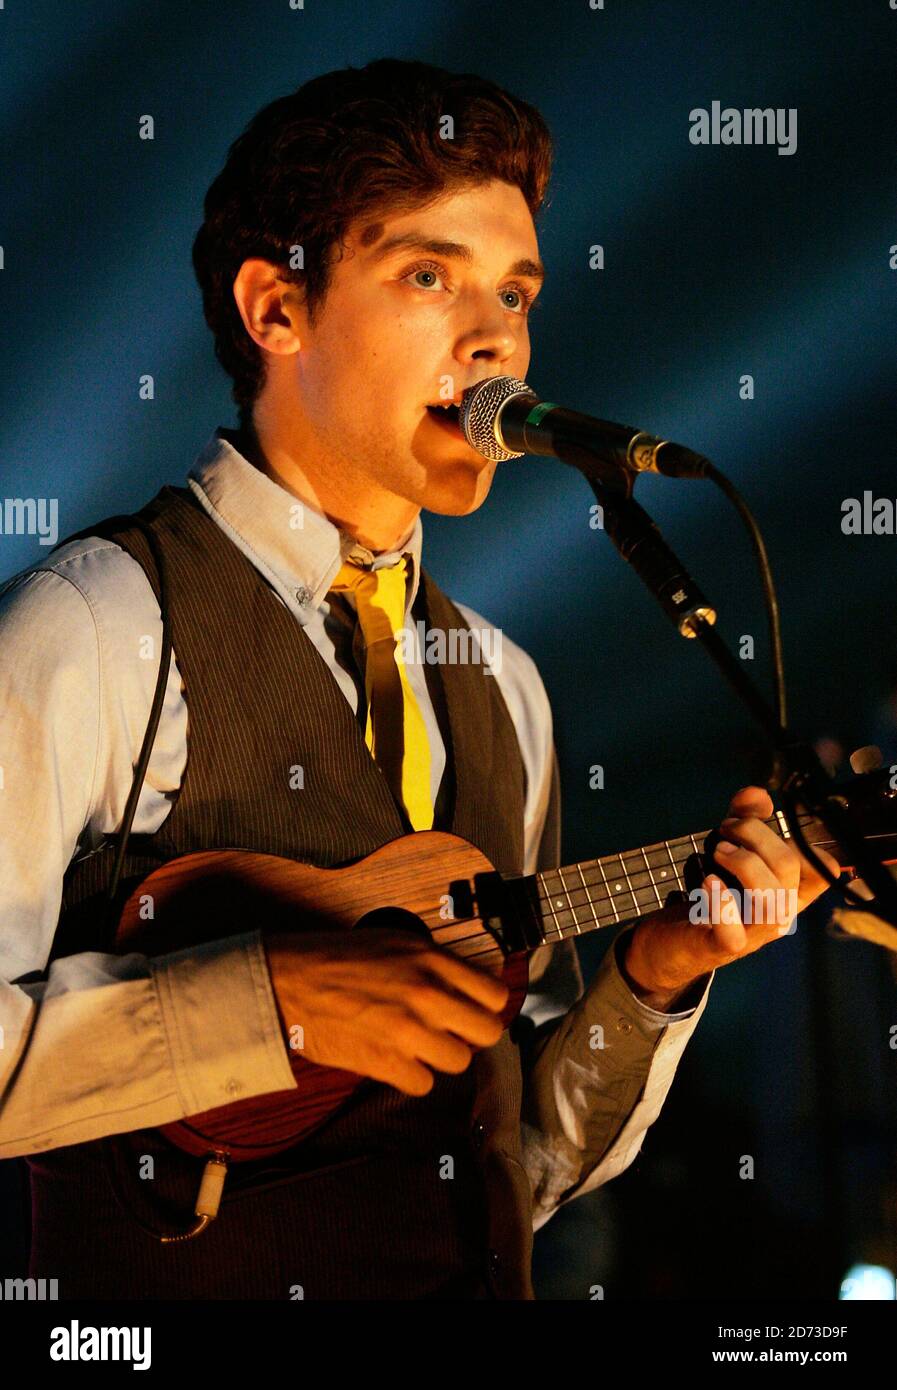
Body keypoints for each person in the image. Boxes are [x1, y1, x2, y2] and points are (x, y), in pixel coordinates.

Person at [0, 58, 837, 1300]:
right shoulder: (93, 621)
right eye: (429, 276)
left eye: (515, 290)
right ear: (274, 309)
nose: (495, 333)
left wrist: (660, 975)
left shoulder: (508, 688)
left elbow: (518, 1160)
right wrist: (268, 1002)